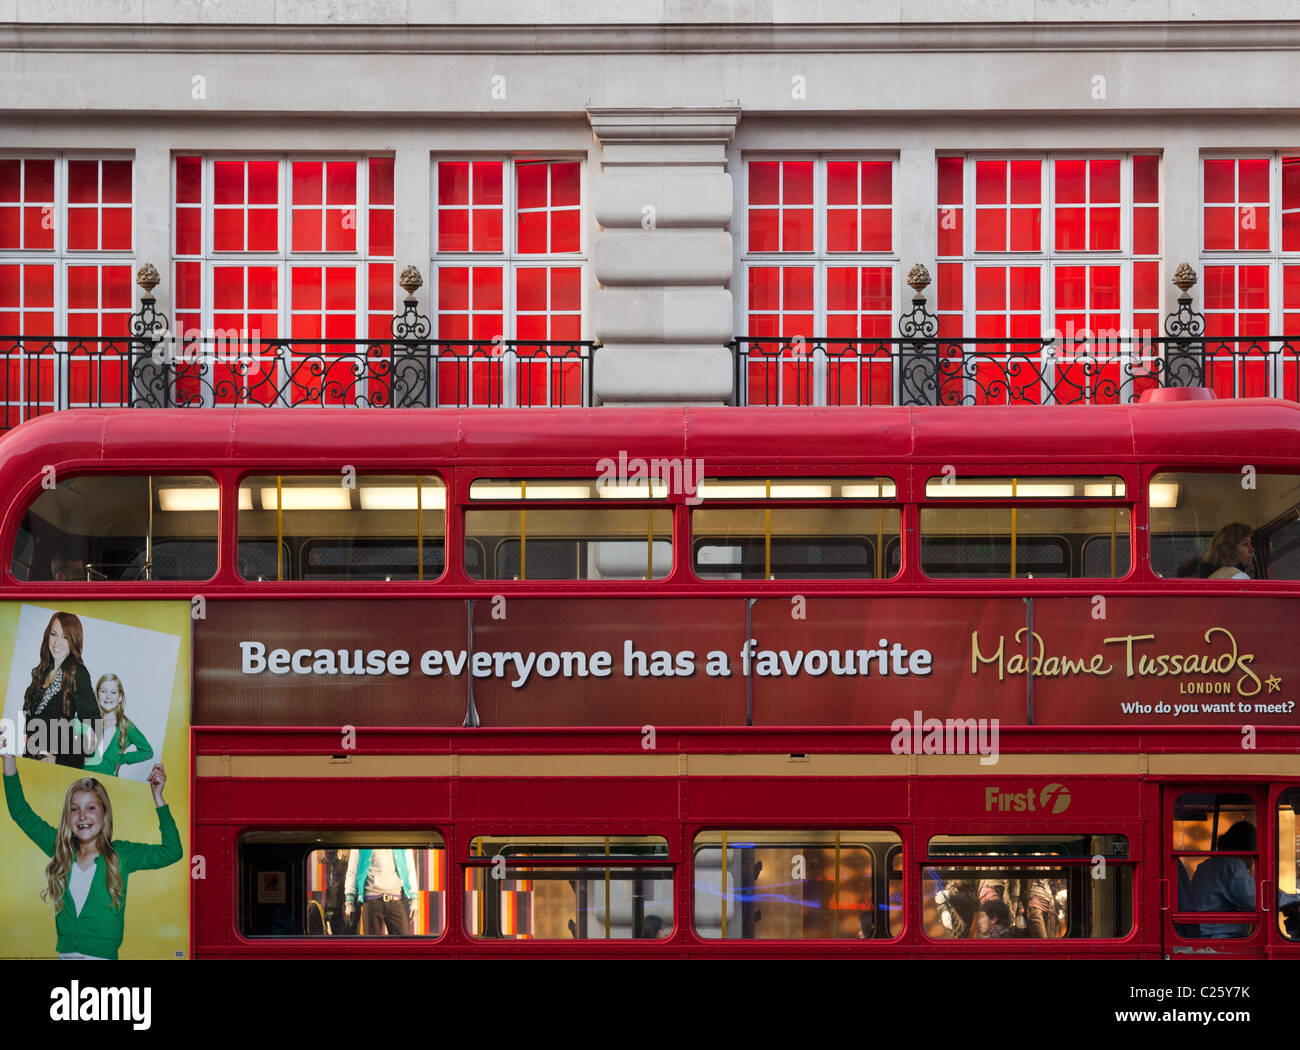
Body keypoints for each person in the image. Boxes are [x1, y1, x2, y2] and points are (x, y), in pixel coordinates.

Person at [1, 733, 181, 960]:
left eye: (91, 808)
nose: (82, 816)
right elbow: (20, 812)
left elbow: (172, 852)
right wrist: (8, 760)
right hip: (65, 955)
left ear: (105, 814)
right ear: (68, 815)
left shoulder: (121, 854)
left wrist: (158, 797)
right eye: (74, 809)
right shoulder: (61, 848)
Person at [22, 612, 98, 767]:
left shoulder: (78, 673)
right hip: (30, 758)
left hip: (54, 766)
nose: (57, 642)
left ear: (73, 641)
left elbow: (94, 727)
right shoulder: (42, 670)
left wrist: (60, 760)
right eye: (54, 634)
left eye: (65, 637)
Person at [1190, 820, 1256, 938]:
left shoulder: (1206, 864)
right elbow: (1255, 899)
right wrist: (1292, 900)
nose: (1251, 862)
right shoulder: (1232, 864)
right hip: (1220, 937)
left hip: (1200, 933)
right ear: (1247, 849)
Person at [82, 675, 154, 778]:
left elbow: (148, 752)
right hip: (81, 780)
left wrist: (122, 759)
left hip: (107, 784)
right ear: (97, 694)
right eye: (103, 691)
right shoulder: (85, 719)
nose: (108, 696)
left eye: (113, 692)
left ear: (120, 697)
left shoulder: (126, 726)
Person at [345, 848, 416, 935]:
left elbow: (410, 868)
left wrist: (414, 899)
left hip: (395, 899)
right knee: (372, 946)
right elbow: (352, 871)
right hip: (371, 900)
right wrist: (349, 901)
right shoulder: (362, 837)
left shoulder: (401, 837)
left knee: (404, 944)